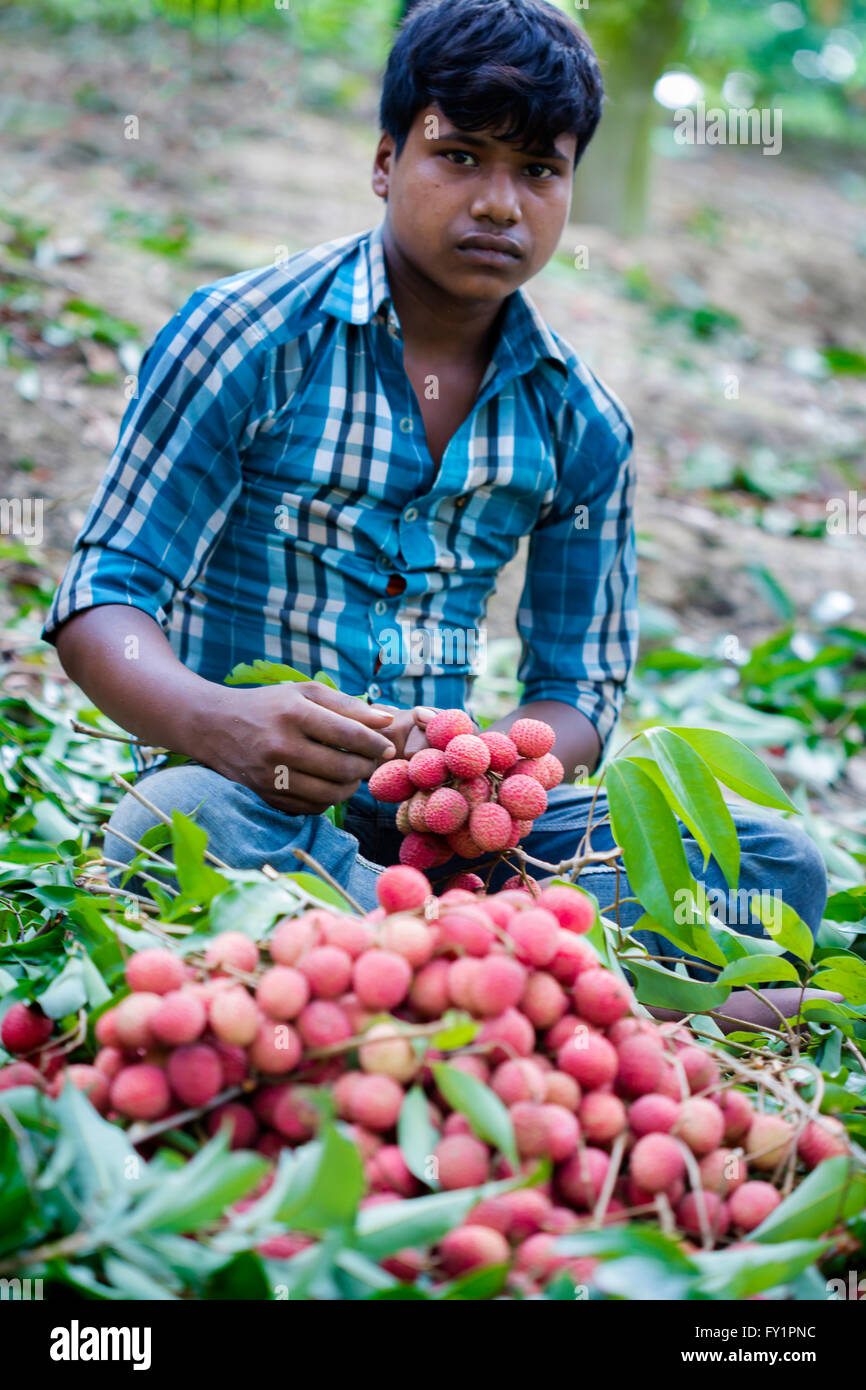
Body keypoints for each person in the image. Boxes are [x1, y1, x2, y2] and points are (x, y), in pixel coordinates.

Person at [43, 0, 827, 1028]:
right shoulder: (246, 339)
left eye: (537, 172)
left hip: (452, 842)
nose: (499, 204)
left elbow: (578, 688)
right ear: (383, 161)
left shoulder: (578, 422)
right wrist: (216, 722)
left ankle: (405, 959)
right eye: (457, 156)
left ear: (568, 189)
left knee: (775, 866)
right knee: (166, 821)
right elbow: (102, 599)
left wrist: (493, 768)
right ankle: (538, 979)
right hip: (258, 805)